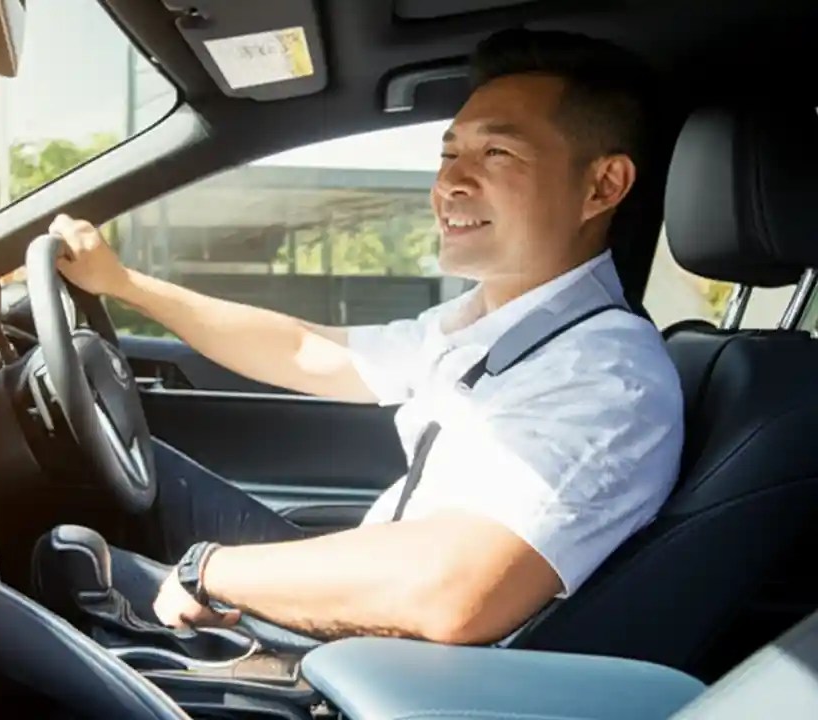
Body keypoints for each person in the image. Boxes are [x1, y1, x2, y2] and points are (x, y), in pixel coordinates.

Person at [40, 27, 683, 646]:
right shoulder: (496, 324)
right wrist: (122, 283)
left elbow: (453, 591)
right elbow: (306, 351)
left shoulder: (604, 372)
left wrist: (209, 572)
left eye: (497, 153)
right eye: (449, 152)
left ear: (603, 185)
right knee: (121, 467)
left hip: (392, 667)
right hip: (380, 606)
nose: (449, 183)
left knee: (58, 570)